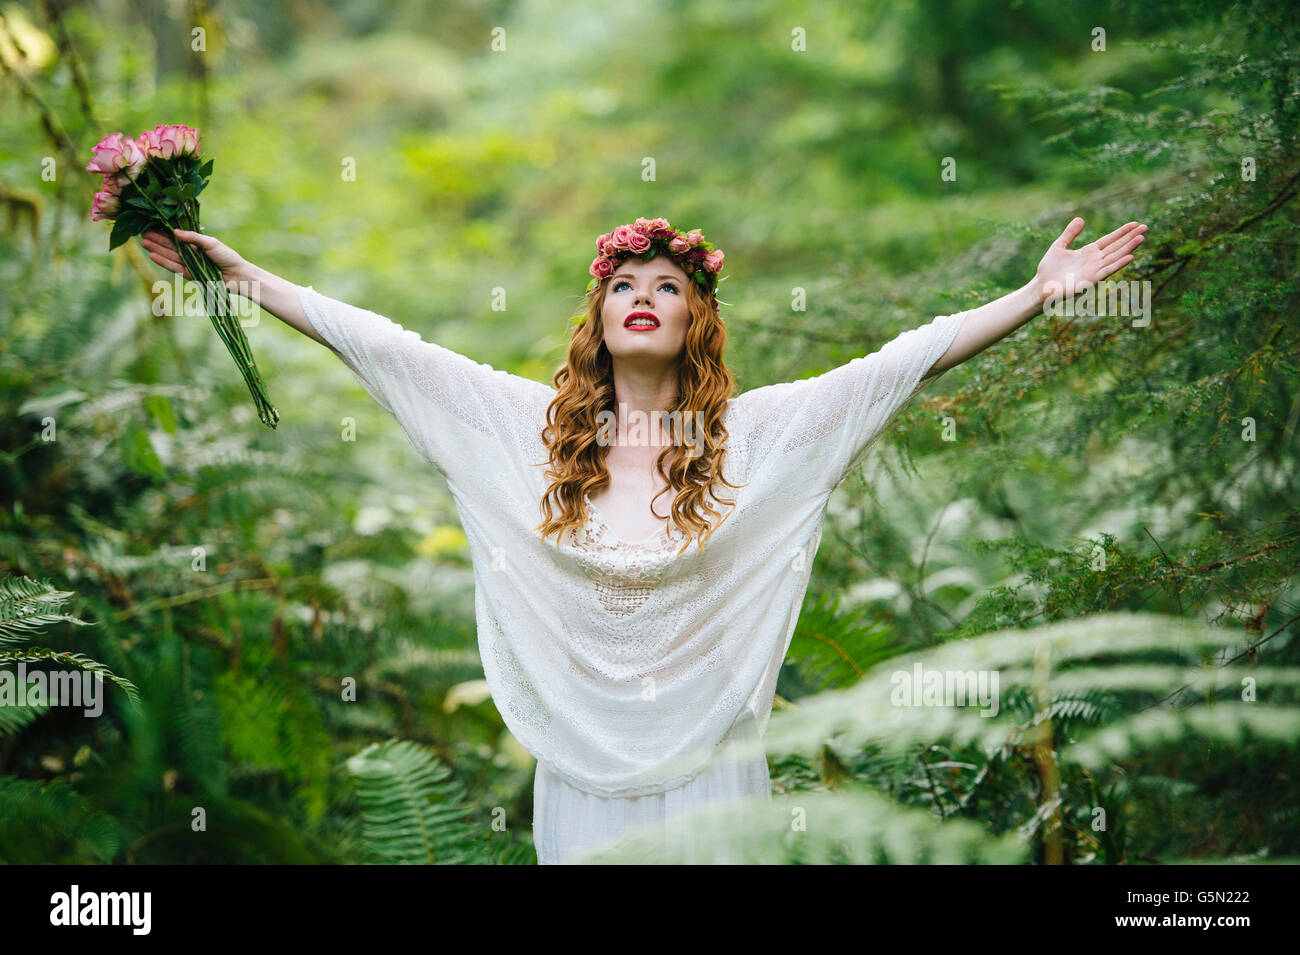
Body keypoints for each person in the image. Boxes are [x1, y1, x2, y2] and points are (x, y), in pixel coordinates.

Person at [140, 214, 1146, 863]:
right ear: (599, 317)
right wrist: (245, 278)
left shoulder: (753, 436)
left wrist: (1031, 295)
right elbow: (386, 348)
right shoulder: (533, 430)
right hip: (579, 770)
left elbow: (899, 363)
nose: (642, 298)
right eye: (625, 286)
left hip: (712, 762)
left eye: (667, 287)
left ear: (695, 320)